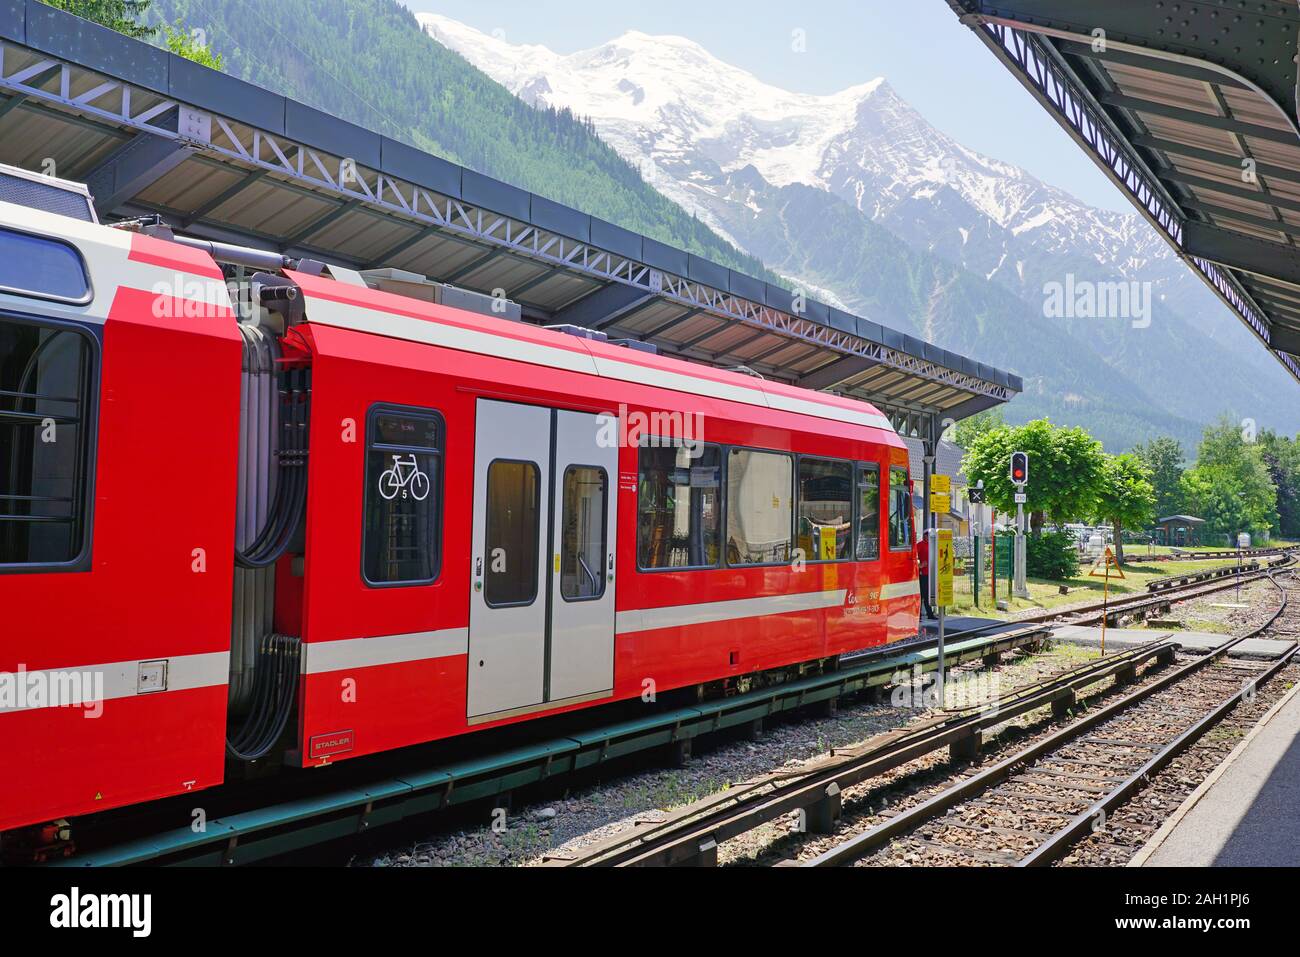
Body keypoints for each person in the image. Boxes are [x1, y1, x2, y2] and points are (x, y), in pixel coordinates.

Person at [916, 536, 935, 621]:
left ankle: (930, 614)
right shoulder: (919, 545)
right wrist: (920, 565)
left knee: (928, 595)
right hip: (922, 573)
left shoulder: (932, 545)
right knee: (922, 595)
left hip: (930, 573)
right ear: (925, 536)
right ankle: (918, 615)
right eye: (928, 536)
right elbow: (914, 557)